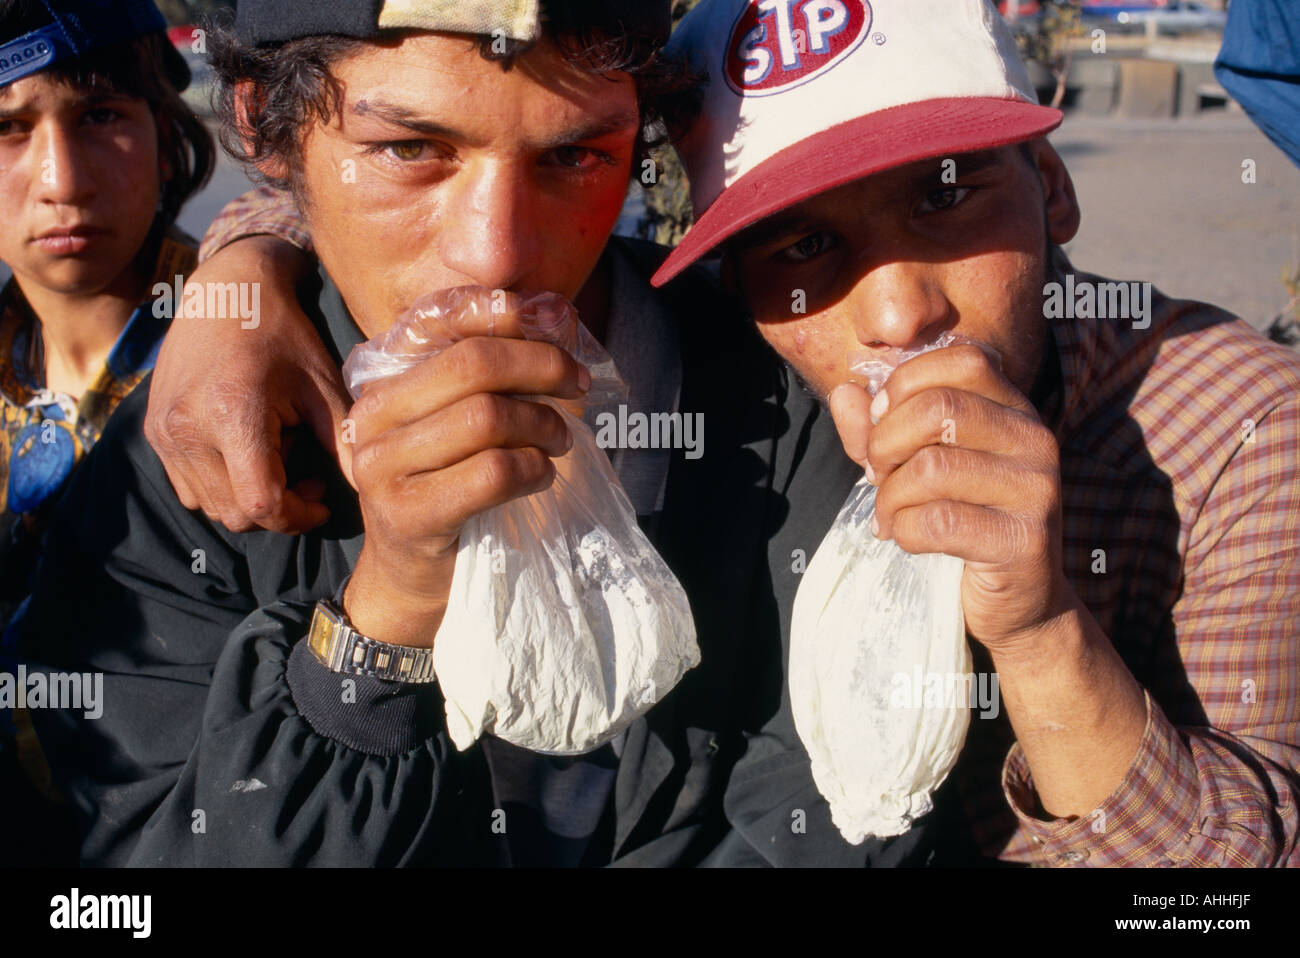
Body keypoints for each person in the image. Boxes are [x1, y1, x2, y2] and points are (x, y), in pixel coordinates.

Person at [144, 0, 1300, 867]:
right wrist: (247, 270)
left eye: (945, 200)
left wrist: (1043, 635)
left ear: (1052, 188)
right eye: (798, 248)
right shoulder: (200, 432)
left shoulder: (1234, 432)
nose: (899, 310)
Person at [13, 0, 932, 867]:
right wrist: (381, 630)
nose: (497, 252)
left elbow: (841, 808)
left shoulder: (787, 400)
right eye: (409, 149)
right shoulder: (187, 471)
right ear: (264, 128)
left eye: (575, 157)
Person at [0, 0, 214, 866]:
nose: (62, 179)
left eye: (99, 116)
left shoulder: (255, 355)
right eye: (7, 128)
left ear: (167, 136)